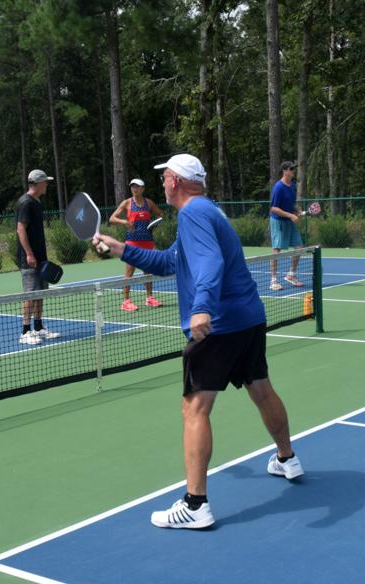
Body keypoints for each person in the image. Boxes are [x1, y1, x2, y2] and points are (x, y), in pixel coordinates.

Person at [94, 154, 303, 529]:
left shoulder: (193, 214)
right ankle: (287, 458)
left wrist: (202, 308)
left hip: (218, 325)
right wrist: (120, 248)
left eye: (165, 178)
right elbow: (172, 262)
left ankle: (195, 504)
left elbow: (209, 264)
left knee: (194, 409)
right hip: (248, 318)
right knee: (262, 391)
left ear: (175, 181)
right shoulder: (208, 211)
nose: (162, 184)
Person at [16, 169, 60, 345]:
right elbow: (20, 229)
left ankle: (39, 327)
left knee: (40, 293)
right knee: (30, 294)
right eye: (45, 182)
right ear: (39, 183)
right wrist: (29, 253)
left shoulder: (37, 202)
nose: (47, 185)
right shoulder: (25, 202)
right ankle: (25, 332)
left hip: (40, 258)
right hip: (30, 258)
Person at [108, 177, 166, 311]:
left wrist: (154, 224)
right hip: (132, 242)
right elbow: (112, 218)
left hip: (147, 242)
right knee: (129, 271)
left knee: (148, 270)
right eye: (132, 186)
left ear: (142, 189)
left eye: (137, 186)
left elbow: (161, 215)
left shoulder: (149, 203)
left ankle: (149, 298)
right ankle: (126, 301)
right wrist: (124, 222)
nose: (134, 188)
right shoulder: (127, 203)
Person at [268, 160, 305, 291]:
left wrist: (297, 210)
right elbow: (274, 208)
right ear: (285, 171)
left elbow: (291, 203)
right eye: (291, 169)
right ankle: (273, 281)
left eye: (294, 169)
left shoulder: (292, 186)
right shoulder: (278, 187)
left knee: (299, 248)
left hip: (289, 221)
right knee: (276, 250)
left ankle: (291, 275)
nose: (293, 171)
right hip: (278, 221)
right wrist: (290, 215)